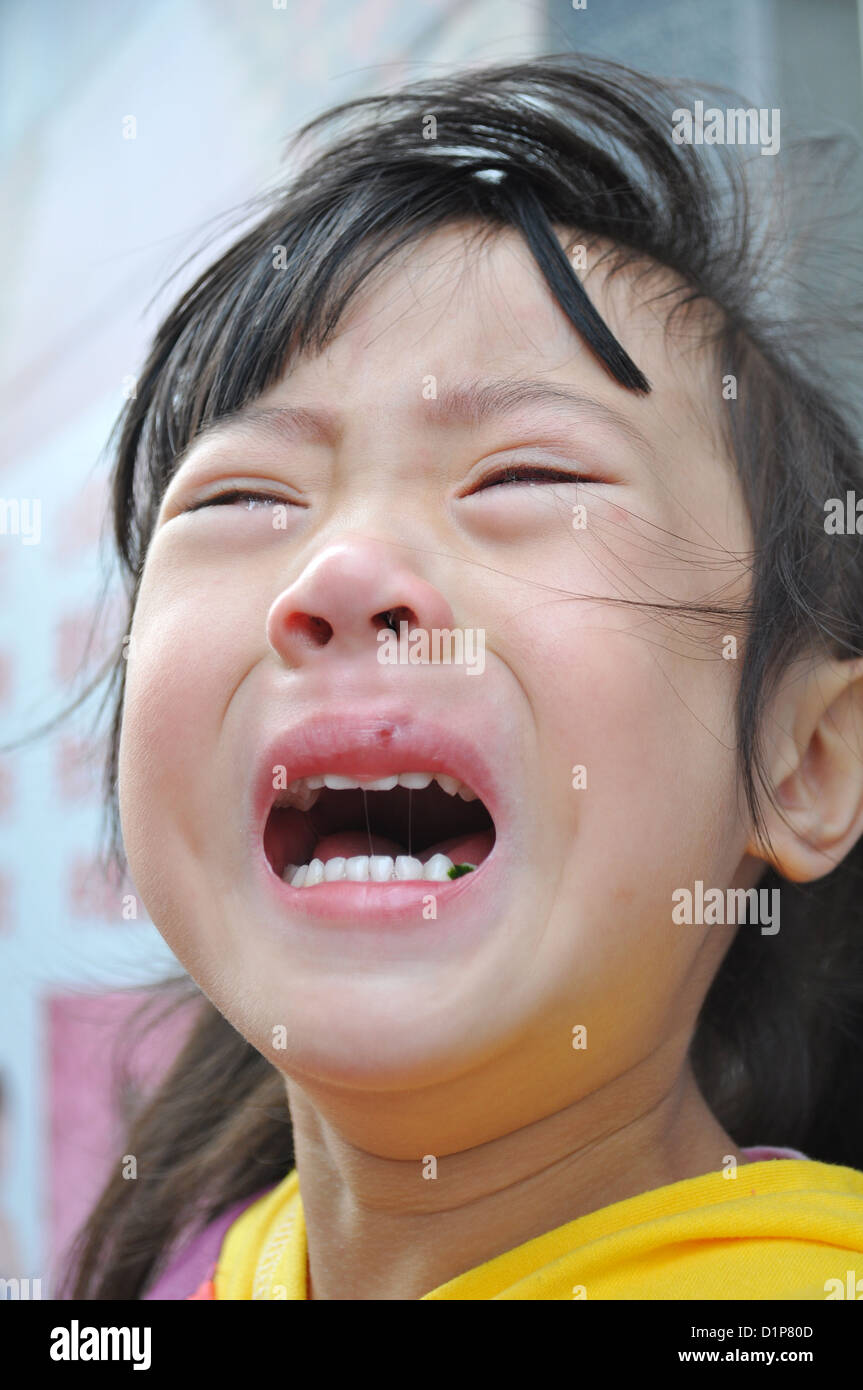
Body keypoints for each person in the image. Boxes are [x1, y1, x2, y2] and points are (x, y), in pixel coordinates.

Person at [60, 54, 863, 1300]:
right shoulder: (182, 1276)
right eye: (242, 495)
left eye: (526, 477)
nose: (339, 570)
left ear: (800, 761)